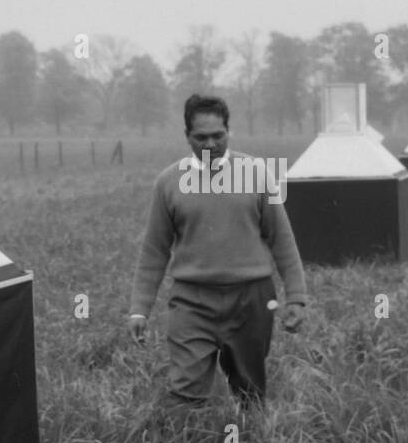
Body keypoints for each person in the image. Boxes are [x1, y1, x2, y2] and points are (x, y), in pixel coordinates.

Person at [127, 94, 306, 407]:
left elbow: (282, 239)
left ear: (228, 132)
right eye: (200, 137)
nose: (209, 144)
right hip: (192, 301)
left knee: (249, 390)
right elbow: (154, 252)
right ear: (187, 137)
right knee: (185, 391)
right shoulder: (168, 183)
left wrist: (297, 297)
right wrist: (140, 308)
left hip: (251, 299)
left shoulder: (257, 174)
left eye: (217, 136)